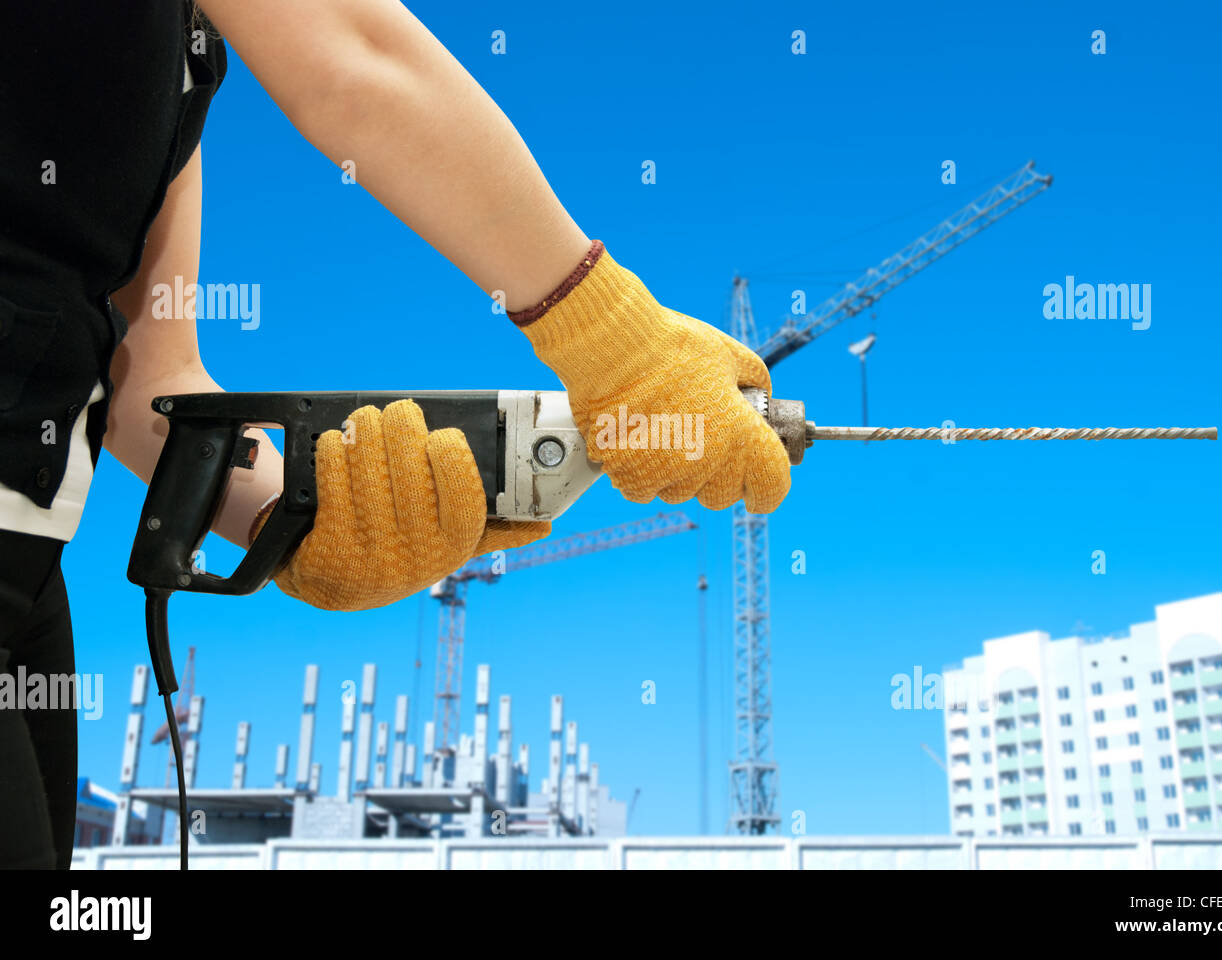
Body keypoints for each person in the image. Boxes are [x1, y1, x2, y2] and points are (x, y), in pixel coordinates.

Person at [0, 2, 790, 868]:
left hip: (26, 580)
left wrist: (296, 517)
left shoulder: (176, 51)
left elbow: (152, 387)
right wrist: (610, 333)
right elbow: (353, 49)